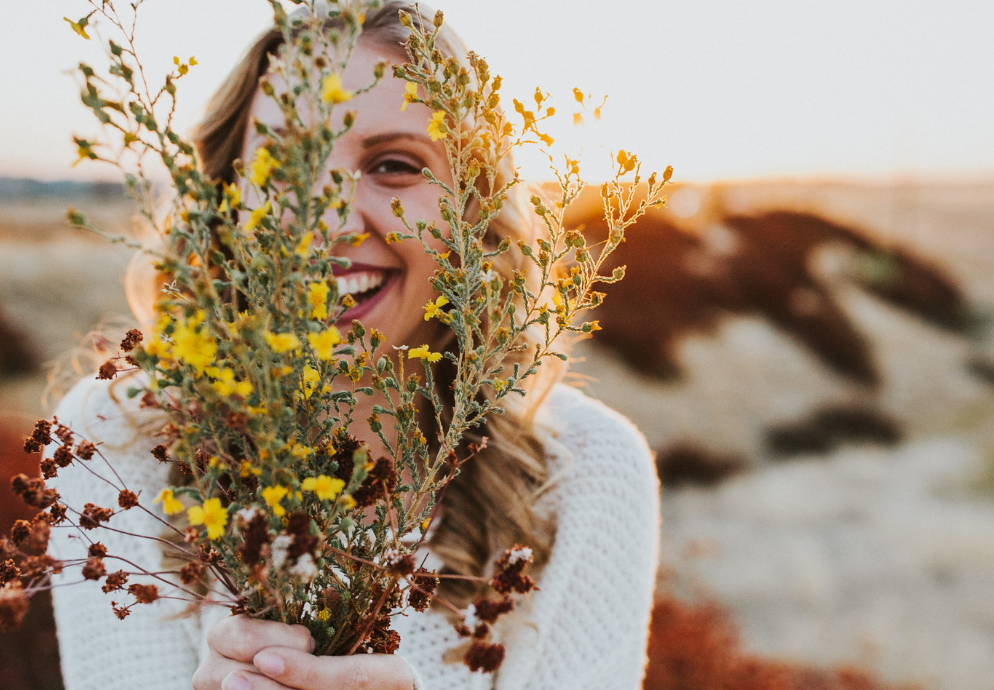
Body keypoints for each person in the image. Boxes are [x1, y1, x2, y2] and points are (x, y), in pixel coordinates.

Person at [47, 4, 660, 689]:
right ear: (222, 203)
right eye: (284, 164)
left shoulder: (580, 474)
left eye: (395, 165)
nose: (328, 220)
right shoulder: (119, 439)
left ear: (475, 210)